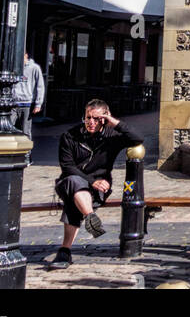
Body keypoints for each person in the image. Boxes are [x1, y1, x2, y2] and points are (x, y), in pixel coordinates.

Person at [46, 99, 142, 270]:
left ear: (105, 118)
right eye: (88, 117)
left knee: (74, 201)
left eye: (96, 118)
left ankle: (64, 251)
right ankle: (90, 216)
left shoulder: (111, 137)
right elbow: (67, 167)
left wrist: (114, 122)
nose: (91, 122)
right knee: (75, 183)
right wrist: (92, 181)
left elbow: (137, 138)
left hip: (97, 188)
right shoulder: (70, 136)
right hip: (70, 181)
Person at [12, 51, 45, 138]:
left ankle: (26, 150)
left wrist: (38, 104)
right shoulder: (13, 67)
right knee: (9, 128)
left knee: (25, 130)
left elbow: (40, 86)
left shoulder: (34, 68)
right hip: (13, 103)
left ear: (26, 55)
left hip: (27, 103)